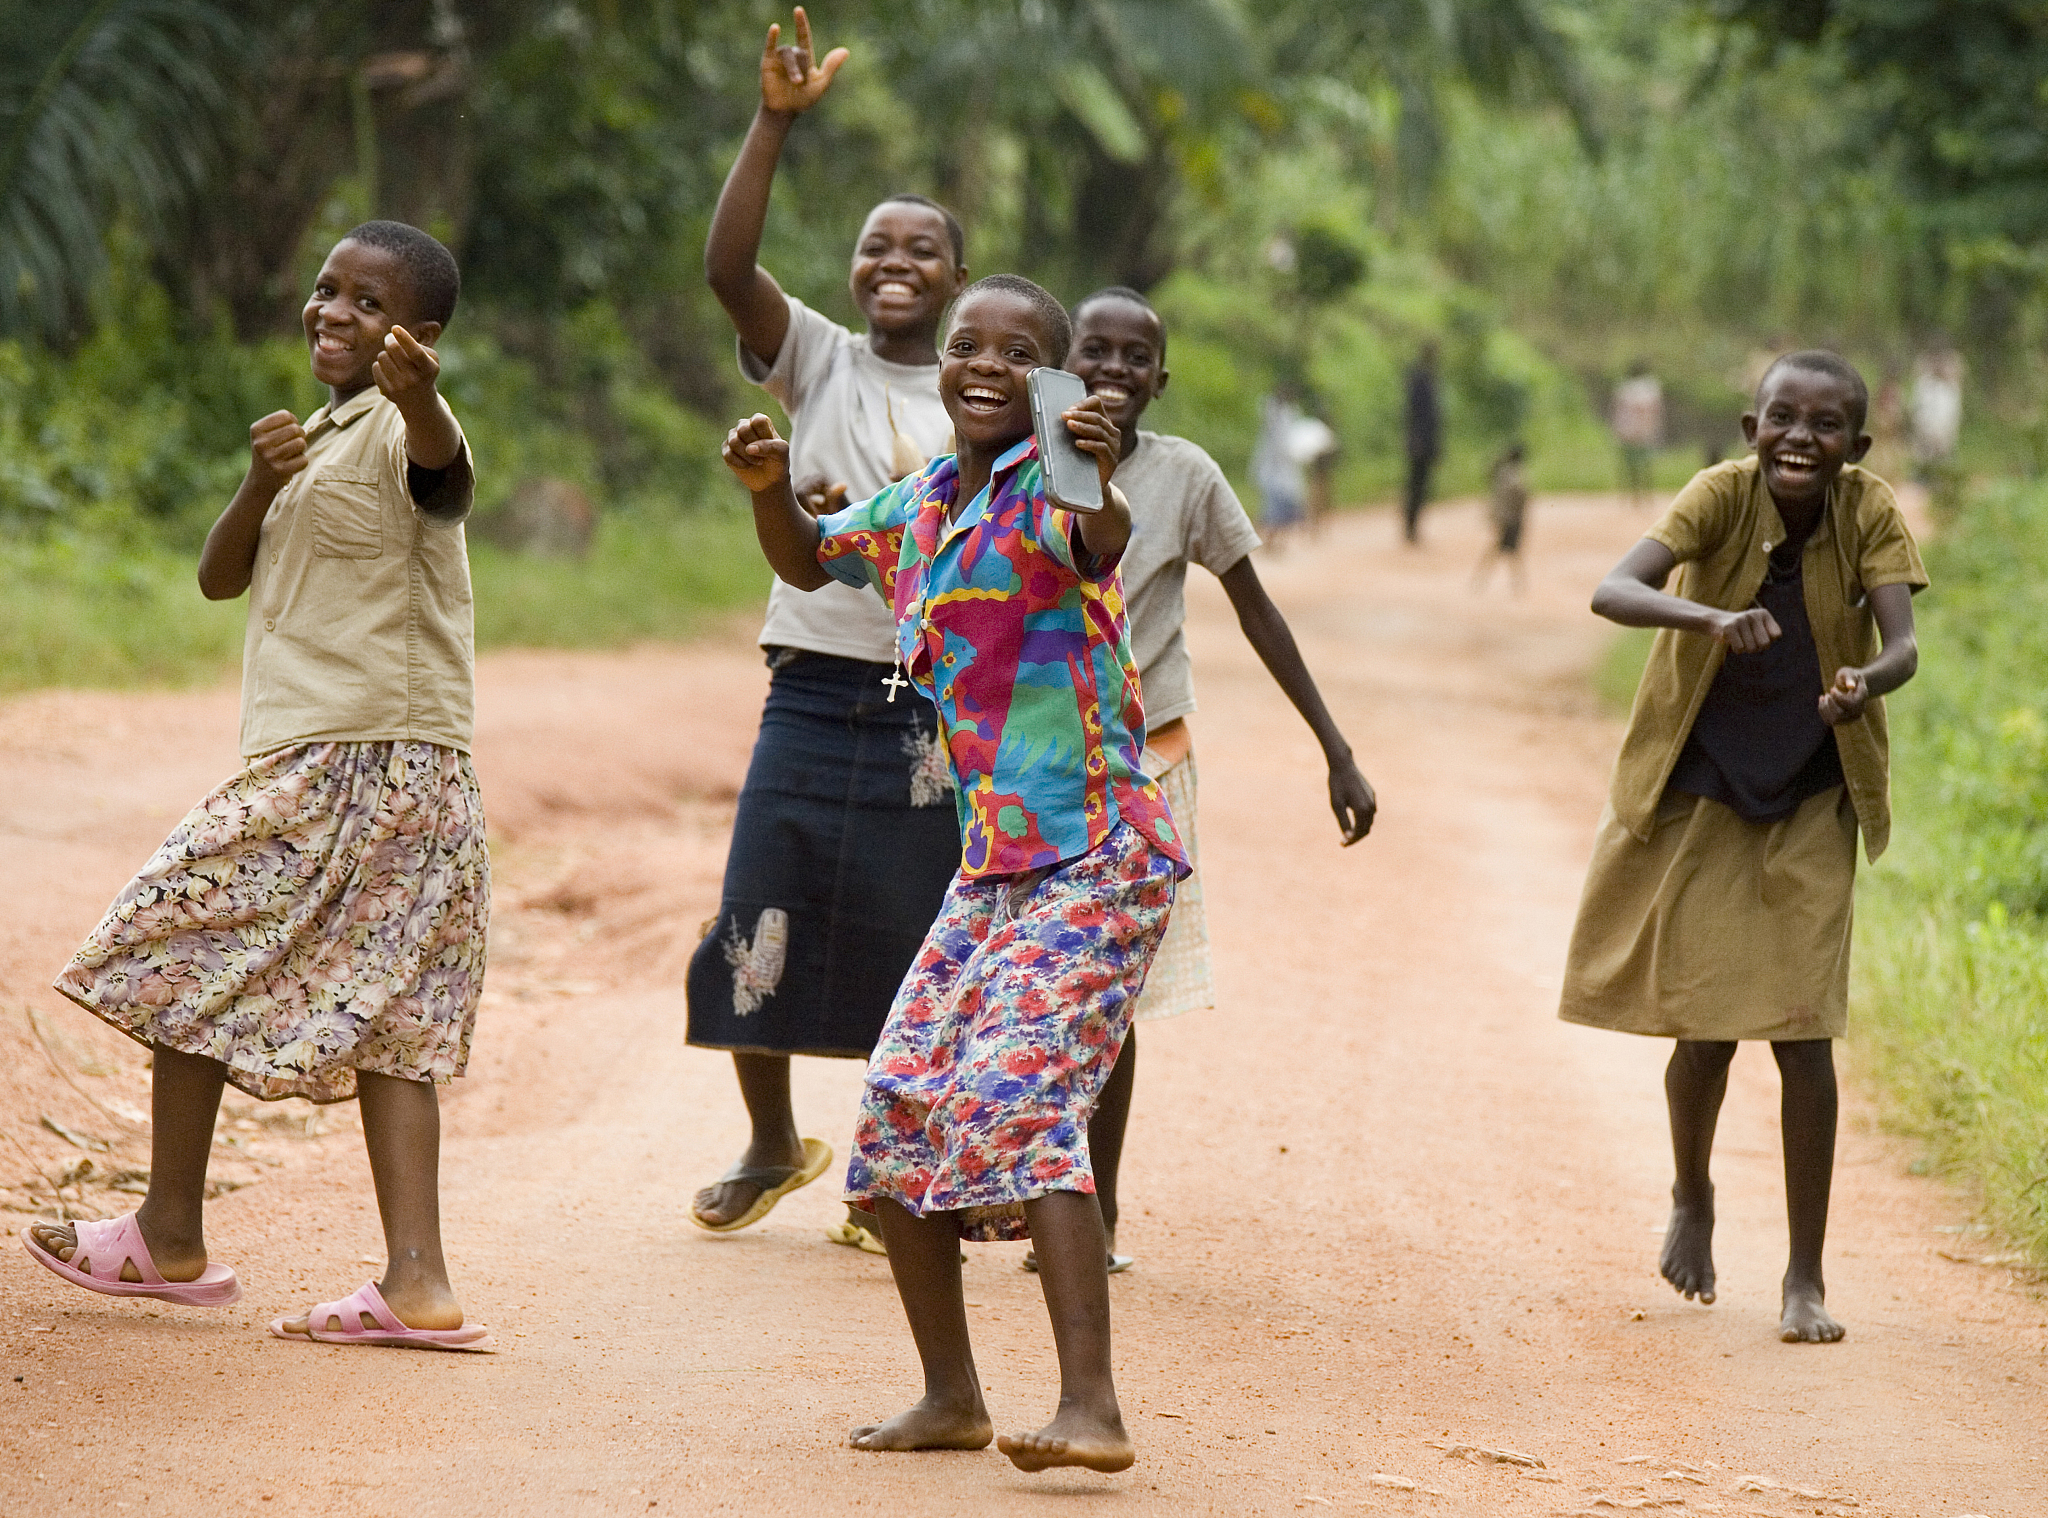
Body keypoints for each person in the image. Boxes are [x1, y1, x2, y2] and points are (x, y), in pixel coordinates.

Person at [723, 274, 1186, 1473]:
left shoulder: (1058, 486)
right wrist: (769, 489)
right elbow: (812, 562)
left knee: (1020, 1095)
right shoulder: (924, 500)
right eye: (966, 344)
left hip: (1096, 848)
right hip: (992, 867)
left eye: (1018, 353)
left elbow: (1099, 537)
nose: (985, 363)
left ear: (1054, 379)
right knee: (894, 1109)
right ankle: (951, 1398)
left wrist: (1092, 468)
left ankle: (1092, 1408)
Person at [27, 222, 492, 1351]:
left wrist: (424, 397)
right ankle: (415, 1284)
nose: (334, 312)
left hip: (358, 757)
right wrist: (257, 479)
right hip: (384, 765)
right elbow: (216, 577)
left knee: (182, 935)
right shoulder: (314, 438)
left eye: (369, 302)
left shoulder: (406, 424)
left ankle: (168, 1231)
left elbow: (445, 476)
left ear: (419, 335)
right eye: (327, 289)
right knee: (388, 1014)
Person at [1561, 350, 1925, 1345]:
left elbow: (1901, 645)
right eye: (1782, 419)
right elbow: (1612, 591)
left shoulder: (1868, 511)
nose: (1800, 438)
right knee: (1706, 1030)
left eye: (1824, 425)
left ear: (1855, 445)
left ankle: (1804, 1279)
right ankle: (1692, 1193)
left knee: (1804, 1036)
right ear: (1749, 429)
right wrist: (1711, 616)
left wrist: (1863, 682)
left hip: (1811, 789)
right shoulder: (1718, 495)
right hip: (1706, 784)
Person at [689, 6, 968, 1251]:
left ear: (955, 278)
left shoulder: (982, 390)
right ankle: (768, 1139)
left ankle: (887, 1171)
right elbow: (727, 271)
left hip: (932, 703)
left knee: (916, 932)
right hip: (807, 683)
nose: (892, 263)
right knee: (759, 900)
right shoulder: (818, 359)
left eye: (921, 249)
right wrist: (772, 123)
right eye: (873, 246)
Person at [1044, 285, 1375, 1273]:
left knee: (1105, 999)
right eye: (1093, 351)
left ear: (1161, 378)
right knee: (1029, 988)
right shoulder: (1019, 464)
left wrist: (1334, 747)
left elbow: (1256, 608)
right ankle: (1029, 1195)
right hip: (1026, 767)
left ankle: (1095, 1215)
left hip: (1143, 762)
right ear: (1060, 362)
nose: (1113, 370)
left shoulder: (1185, 476)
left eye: (1134, 357)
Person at [1472, 441, 1530, 594]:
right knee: (1510, 552)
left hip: (1503, 518)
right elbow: (1521, 497)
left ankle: (1481, 579)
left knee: (1500, 550)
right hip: (1511, 520)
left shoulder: (1502, 473)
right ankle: (1516, 584)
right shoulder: (1515, 477)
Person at [1402, 342, 1441, 543]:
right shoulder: (1420, 379)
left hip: (1426, 440)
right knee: (1416, 485)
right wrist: (1417, 439)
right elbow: (1414, 412)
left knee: (1421, 486)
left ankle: (1413, 526)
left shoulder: (1430, 378)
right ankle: (1410, 526)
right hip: (1420, 441)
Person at [1611, 361, 1664, 507]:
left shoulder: (1625, 389)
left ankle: (1633, 494)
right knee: (1643, 464)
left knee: (1631, 465)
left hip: (1629, 431)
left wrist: (1619, 429)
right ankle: (1644, 493)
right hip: (1644, 431)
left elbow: (1619, 411)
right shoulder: (1650, 388)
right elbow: (1655, 411)